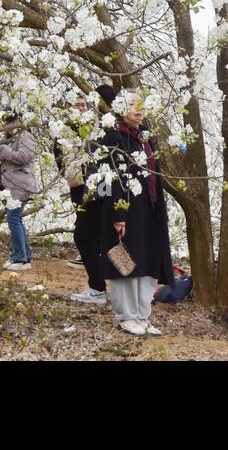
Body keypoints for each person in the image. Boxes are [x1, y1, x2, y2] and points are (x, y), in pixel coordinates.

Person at [95, 91, 174, 336]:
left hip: (148, 210)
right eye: (132, 106)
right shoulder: (112, 137)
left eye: (141, 106)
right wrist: (117, 213)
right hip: (125, 210)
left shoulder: (144, 137)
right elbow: (106, 180)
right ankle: (126, 315)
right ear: (120, 108)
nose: (138, 111)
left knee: (147, 262)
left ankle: (142, 314)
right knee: (125, 263)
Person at [61, 93, 107, 304]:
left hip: (97, 187)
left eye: (83, 104)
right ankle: (97, 285)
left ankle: (98, 286)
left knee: (84, 236)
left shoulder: (99, 128)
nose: (79, 107)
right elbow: (61, 157)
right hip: (78, 186)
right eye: (76, 104)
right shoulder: (65, 128)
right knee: (93, 236)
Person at [0, 112, 38, 271]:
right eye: (6, 121)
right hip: (12, 184)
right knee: (15, 218)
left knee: (13, 218)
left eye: (12, 121)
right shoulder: (10, 138)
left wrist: (3, 151)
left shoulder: (24, 136)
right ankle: (25, 256)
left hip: (21, 184)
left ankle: (20, 258)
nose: (9, 125)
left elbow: (24, 157)